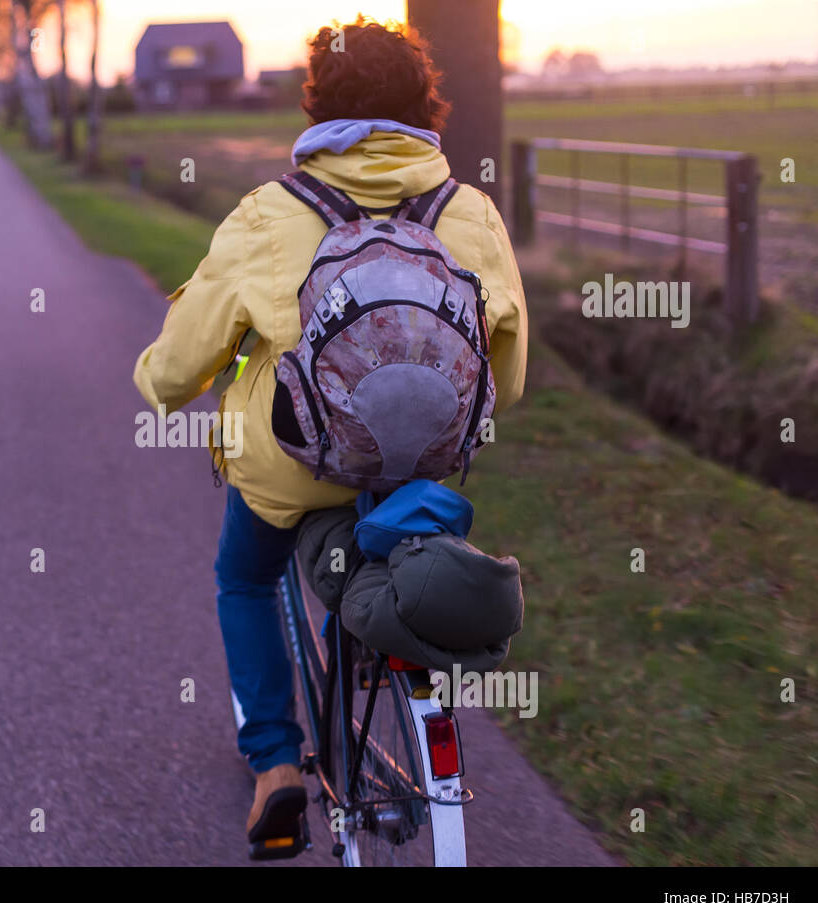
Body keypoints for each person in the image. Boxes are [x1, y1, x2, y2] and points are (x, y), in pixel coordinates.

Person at [132, 16, 529, 847]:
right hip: (421, 464)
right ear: (427, 105)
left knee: (244, 576)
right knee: (364, 543)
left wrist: (158, 384)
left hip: (290, 463)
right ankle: (354, 647)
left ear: (317, 104)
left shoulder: (269, 213)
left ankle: (275, 763)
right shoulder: (471, 212)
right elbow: (509, 374)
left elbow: (183, 362)